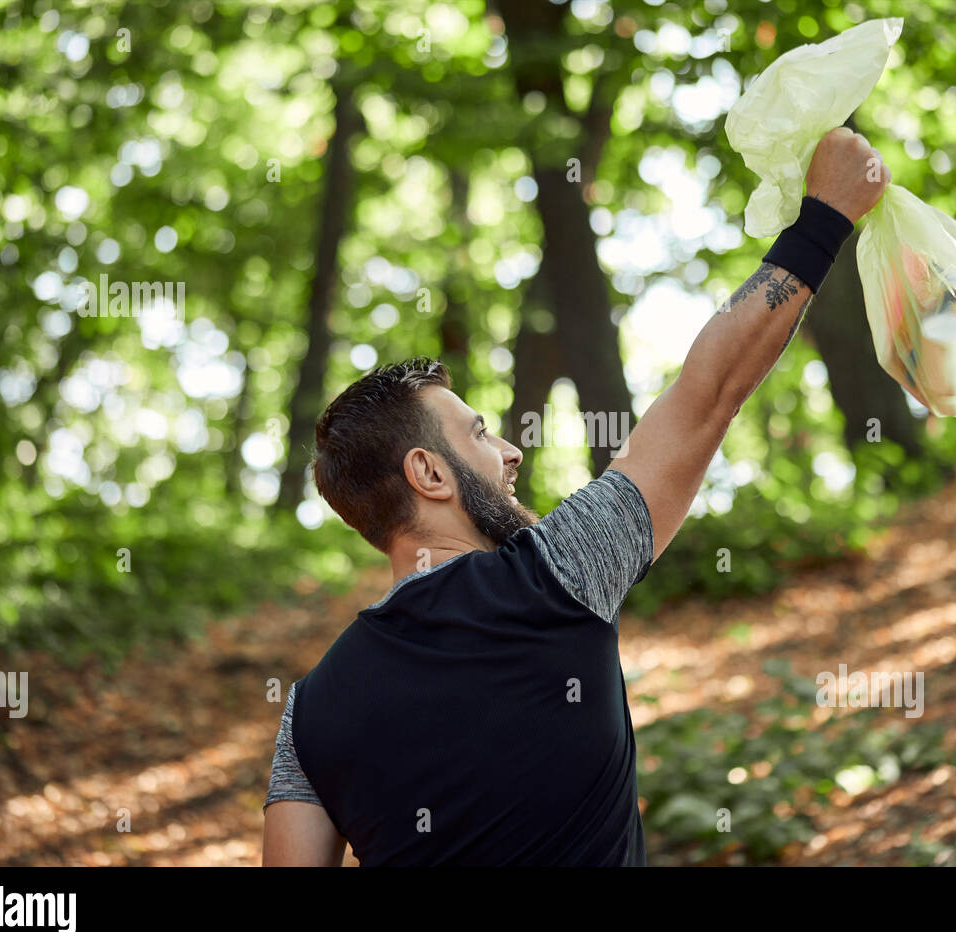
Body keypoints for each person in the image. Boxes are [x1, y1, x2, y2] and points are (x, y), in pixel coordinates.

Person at [261, 127, 889, 865]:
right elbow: (708, 393)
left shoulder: (309, 714)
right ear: (429, 474)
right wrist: (825, 216)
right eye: (480, 435)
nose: (509, 451)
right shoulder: (556, 574)